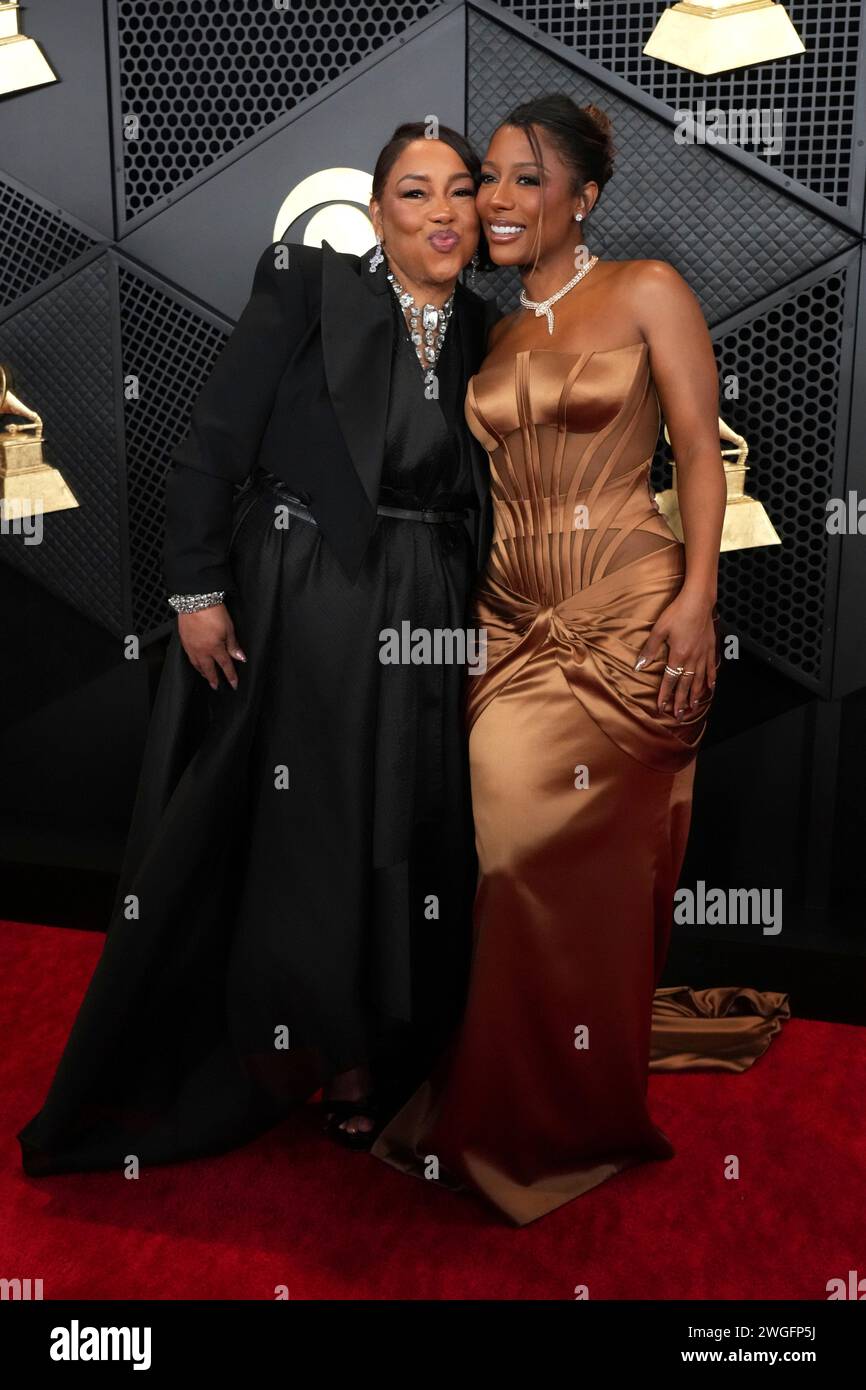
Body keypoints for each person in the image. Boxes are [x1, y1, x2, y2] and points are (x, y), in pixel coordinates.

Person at [17, 121, 501, 1176]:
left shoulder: (481, 328)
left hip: (423, 605)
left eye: (459, 191)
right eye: (414, 192)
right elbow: (211, 443)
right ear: (375, 210)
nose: (441, 211)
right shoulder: (304, 285)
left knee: (401, 824)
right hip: (307, 594)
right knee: (313, 832)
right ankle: (319, 1053)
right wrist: (196, 589)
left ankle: (378, 1037)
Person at [371, 94, 732, 1223]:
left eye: (527, 178)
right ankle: (508, 1097)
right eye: (488, 176)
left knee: (564, 863)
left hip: (627, 610)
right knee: (502, 866)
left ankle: (561, 1119)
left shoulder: (645, 291)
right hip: (503, 621)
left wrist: (697, 596)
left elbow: (698, 453)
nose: (498, 198)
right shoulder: (487, 327)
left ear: (582, 196)